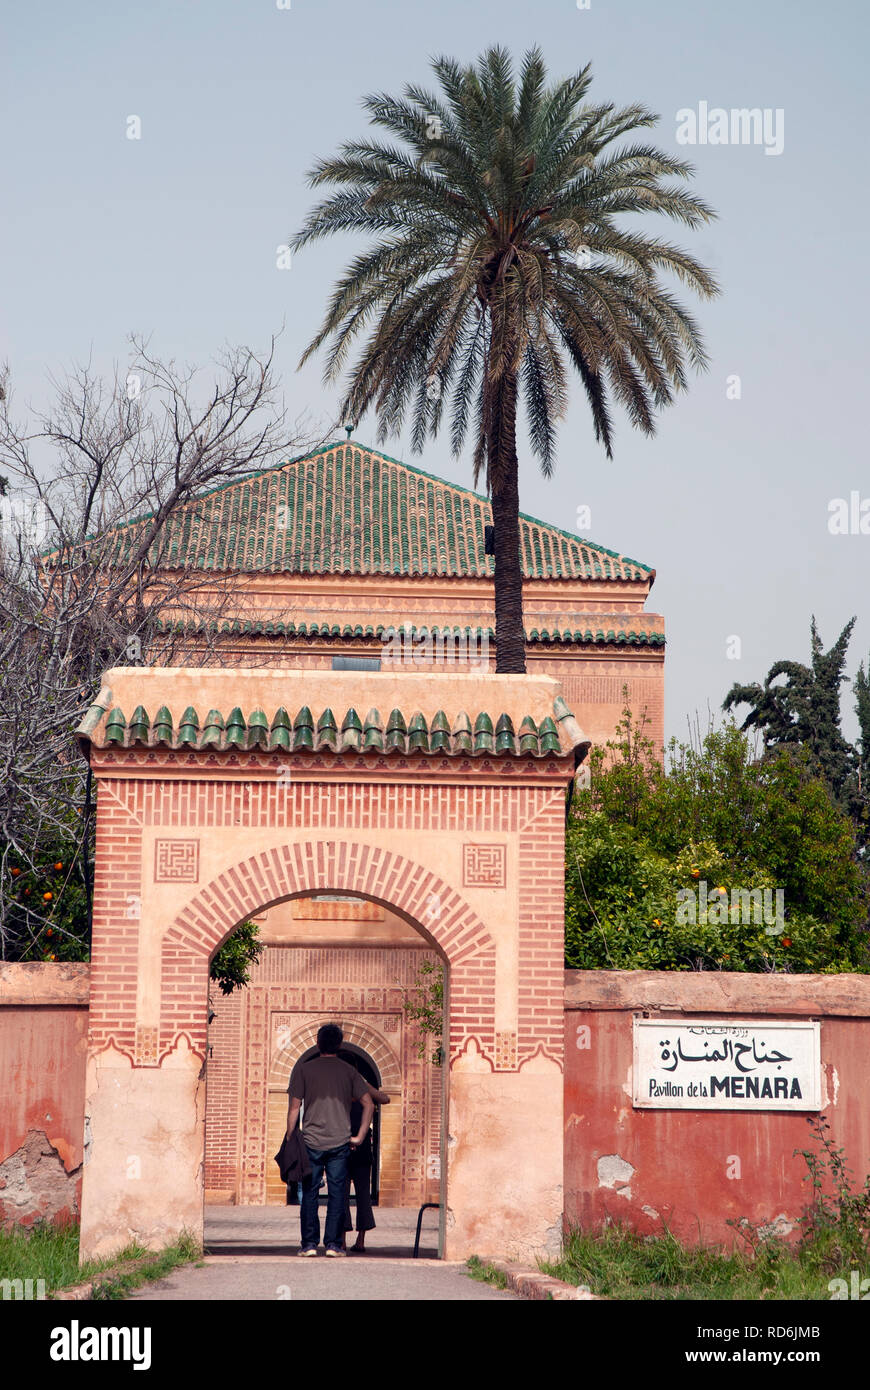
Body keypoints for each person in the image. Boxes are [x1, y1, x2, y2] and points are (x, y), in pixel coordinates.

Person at [286, 1022, 373, 1257]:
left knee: (310, 1194)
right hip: (341, 1142)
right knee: (337, 1194)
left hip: (311, 1141)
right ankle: (334, 1245)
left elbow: (294, 1108)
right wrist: (361, 1135)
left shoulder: (304, 1070)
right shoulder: (349, 1071)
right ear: (340, 1044)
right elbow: (369, 1103)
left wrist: (290, 1136)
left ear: (317, 1043)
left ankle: (309, 1245)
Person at [342, 1079, 390, 1253]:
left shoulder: (353, 1087)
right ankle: (356, 1240)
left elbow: (385, 1099)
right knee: (358, 1195)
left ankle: (345, 1241)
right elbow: (384, 1099)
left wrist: (366, 1087)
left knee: (346, 1194)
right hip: (353, 1146)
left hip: (349, 1146)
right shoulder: (348, 1087)